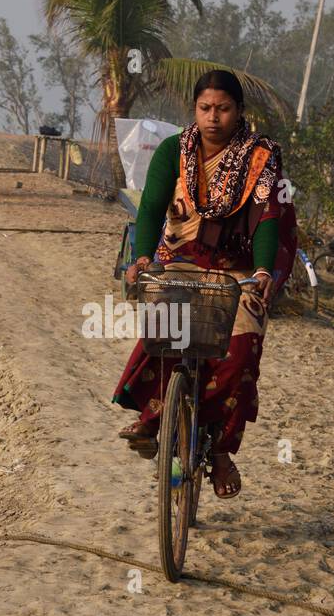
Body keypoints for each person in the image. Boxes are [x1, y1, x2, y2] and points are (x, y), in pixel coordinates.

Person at [112, 70, 297, 498]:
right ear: (194, 110)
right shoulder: (172, 151)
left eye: (224, 108)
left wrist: (265, 271)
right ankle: (155, 417)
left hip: (238, 267)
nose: (214, 117)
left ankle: (217, 451)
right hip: (181, 260)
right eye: (205, 108)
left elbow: (268, 219)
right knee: (164, 332)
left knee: (239, 354)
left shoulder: (259, 158)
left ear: (239, 111)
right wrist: (141, 259)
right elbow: (153, 208)